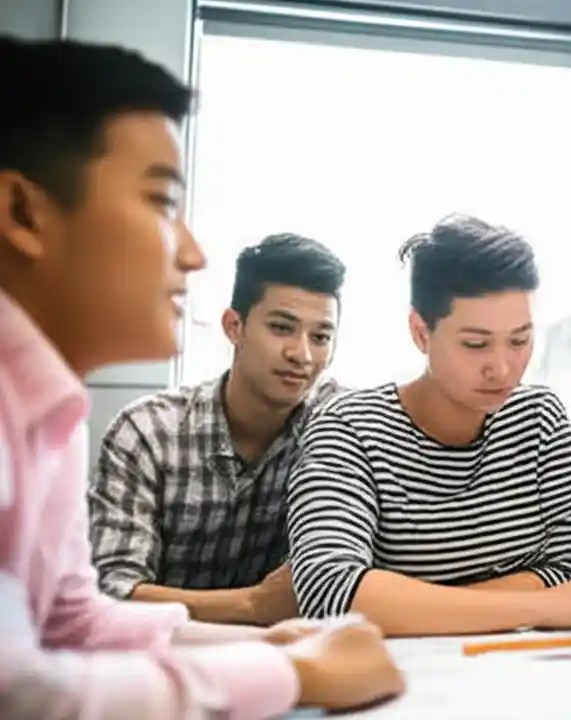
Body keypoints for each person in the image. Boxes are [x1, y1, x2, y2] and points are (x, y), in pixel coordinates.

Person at [0, 36, 400, 717]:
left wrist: (268, 644)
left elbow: (72, 619)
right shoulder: (138, 428)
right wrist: (291, 673)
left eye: (321, 335)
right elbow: (20, 690)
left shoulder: (51, 412)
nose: (191, 252)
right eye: (161, 202)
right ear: (21, 213)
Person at [287, 214, 571, 636]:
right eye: (476, 344)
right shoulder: (348, 430)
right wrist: (544, 606)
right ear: (421, 332)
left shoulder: (539, 419)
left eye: (519, 340)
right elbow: (329, 594)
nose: (502, 368)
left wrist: (406, 604)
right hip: (398, 673)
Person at [89, 233, 345, 627]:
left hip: (290, 652)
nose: (302, 354)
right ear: (234, 327)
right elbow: (111, 594)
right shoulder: (148, 433)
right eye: (281, 328)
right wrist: (251, 605)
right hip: (159, 651)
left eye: (321, 337)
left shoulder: (339, 425)